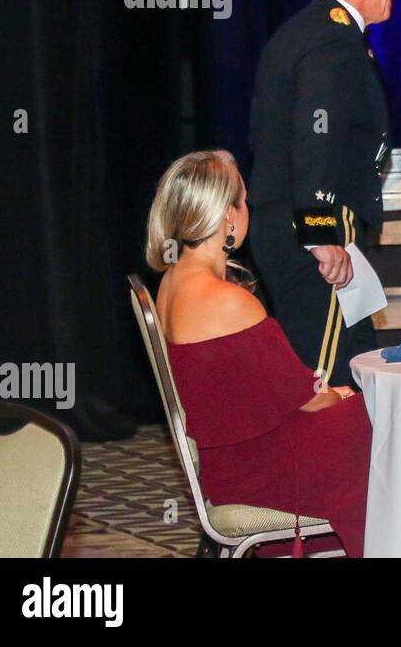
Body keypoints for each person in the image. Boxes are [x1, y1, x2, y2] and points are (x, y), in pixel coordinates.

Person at [148, 151, 371, 557]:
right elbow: (303, 397)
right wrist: (338, 395)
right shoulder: (226, 299)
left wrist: (327, 396)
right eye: (244, 200)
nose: (248, 210)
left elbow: (253, 391)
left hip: (228, 461)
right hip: (257, 468)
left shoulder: (171, 282)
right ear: (228, 217)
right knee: (388, 423)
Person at [248, 0, 399, 387]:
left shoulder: (305, 31)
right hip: (313, 232)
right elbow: (316, 140)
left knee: (350, 366)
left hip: (289, 225)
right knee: (325, 380)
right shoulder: (334, 39)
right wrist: (320, 235)